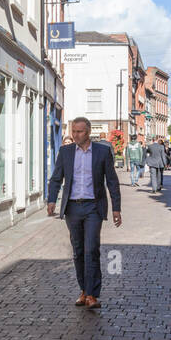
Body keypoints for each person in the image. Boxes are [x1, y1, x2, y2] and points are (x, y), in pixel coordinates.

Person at [46, 117, 122, 309]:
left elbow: (112, 181)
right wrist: (52, 200)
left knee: (91, 249)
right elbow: (56, 178)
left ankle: (92, 294)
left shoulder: (102, 152)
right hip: (72, 207)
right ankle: (84, 290)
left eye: (79, 131)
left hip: (93, 208)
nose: (75, 134)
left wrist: (116, 208)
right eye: (73, 131)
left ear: (88, 133)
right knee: (78, 251)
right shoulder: (65, 152)